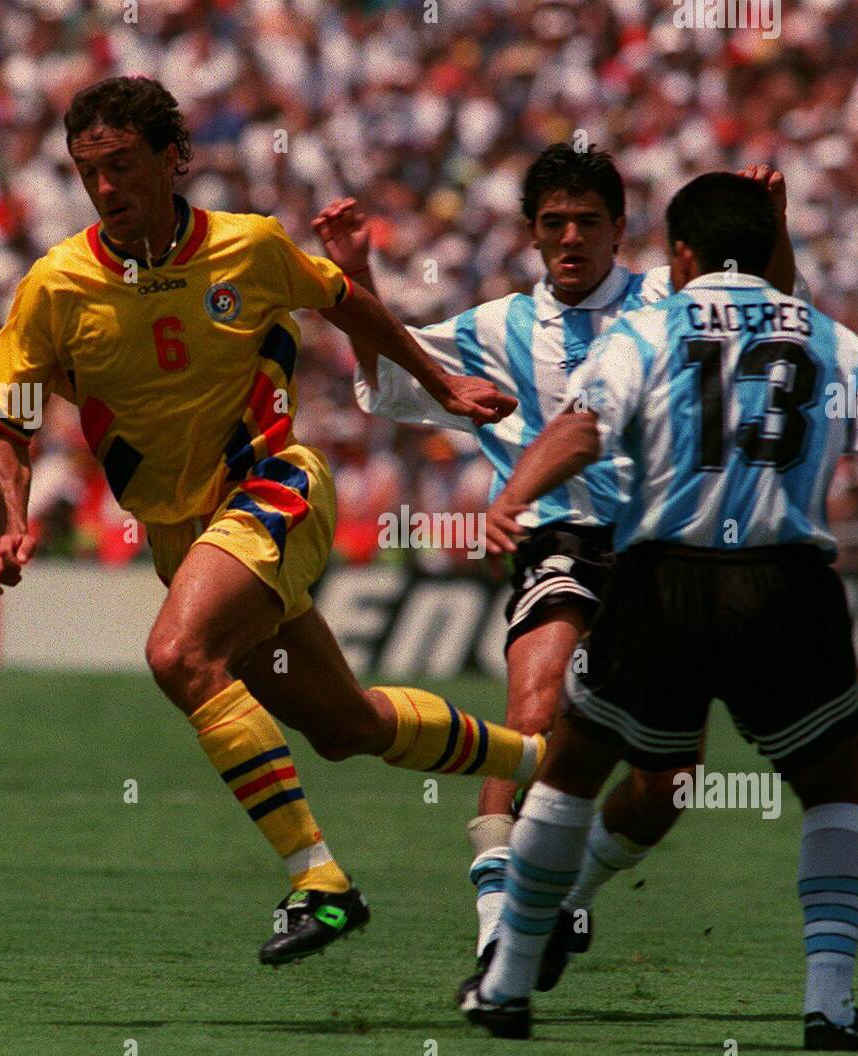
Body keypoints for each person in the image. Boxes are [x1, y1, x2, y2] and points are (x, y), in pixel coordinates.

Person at [0, 76, 544, 967]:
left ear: (172, 159)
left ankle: (321, 882)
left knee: (177, 656)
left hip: (273, 486)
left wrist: (444, 384)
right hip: (183, 539)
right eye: (89, 172)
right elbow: (8, 419)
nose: (107, 188)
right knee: (347, 726)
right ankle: (549, 759)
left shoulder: (249, 248)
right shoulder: (56, 284)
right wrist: (9, 519)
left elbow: (345, 300)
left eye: (122, 165)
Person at [460, 171, 858, 1046]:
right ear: (769, 248)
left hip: (662, 581)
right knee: (832, 793)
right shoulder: (832, 341)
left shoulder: (649, 327)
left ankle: (508, 985)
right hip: (787, 588)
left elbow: (582, 427)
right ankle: (828, 1008)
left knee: (570, 769)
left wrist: (512, 496)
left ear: (678, 253)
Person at [315, 145, 804, 985]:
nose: (571, 236)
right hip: (560, 538)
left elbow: (774, 313)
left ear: (622, 230)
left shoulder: (669, 298)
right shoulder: (497, 327)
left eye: (588, 221)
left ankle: (567, 893)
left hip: (671, 551)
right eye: (554, 224)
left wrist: (773, 230)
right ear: (531, 235)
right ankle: (497, 933)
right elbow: (400, 377)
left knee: (665, 783)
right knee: (534, 708)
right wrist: (356, 278)